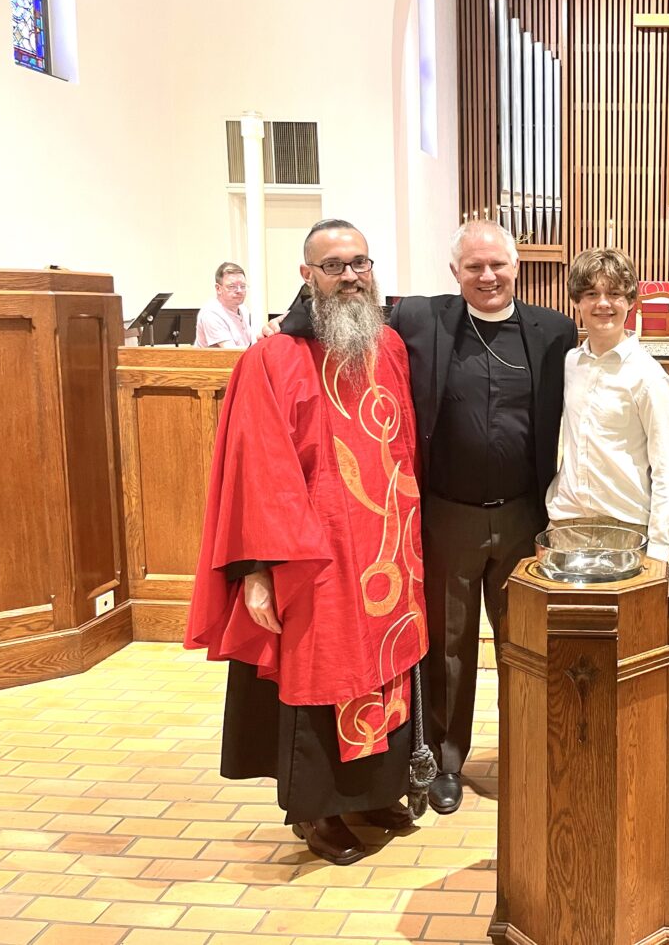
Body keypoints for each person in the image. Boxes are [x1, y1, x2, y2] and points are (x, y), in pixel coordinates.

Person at [186, 219, 426, 866]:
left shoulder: (392, 349)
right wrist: (259, 570)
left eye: (360, 263)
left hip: (388, 552)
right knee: (324, 676)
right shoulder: (271, 359)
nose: (350, 276)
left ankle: (375, 793)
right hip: (313, 558)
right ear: (306, 277)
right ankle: (319, 813)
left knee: (386, 675)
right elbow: (257, 469)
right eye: (334, 266)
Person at [386, 221, 578, 815]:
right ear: (455, 273)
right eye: (474, 267)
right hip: (449, 515)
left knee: (526, 643)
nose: (487, 276)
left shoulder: (553, 331)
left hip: (524, 515)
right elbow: (355, 326)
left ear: (517, 267)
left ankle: (529, 753)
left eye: (497, 265)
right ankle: (445, 758)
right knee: (449, 644)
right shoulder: (423, 320)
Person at [545, 248, 669, 560]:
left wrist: (659, 547)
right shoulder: (568, 364)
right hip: (566, 523)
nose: (603, 303)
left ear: (630, 301)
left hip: (626, 529)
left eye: (615, 293)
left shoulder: (648, 376)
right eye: (591, 293)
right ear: (576, 301)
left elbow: (665, 468)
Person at [195, 262, 255, 348]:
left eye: (243, 286)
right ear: (218, 288)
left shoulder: (243, 309)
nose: (239, 291)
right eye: (232, 286)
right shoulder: (211, 314)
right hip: (217, 361)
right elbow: (230, 352)